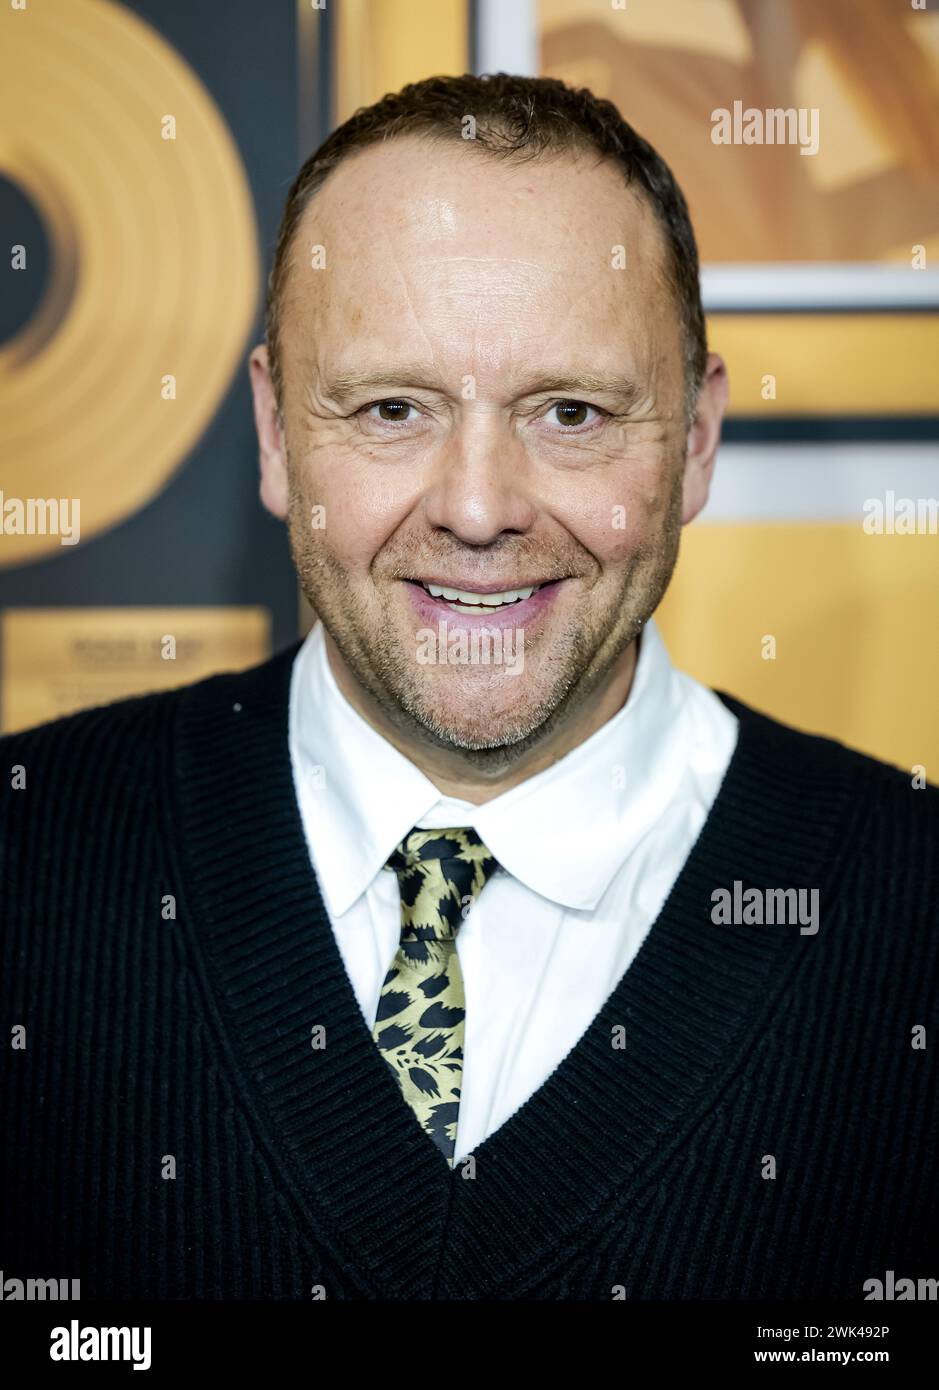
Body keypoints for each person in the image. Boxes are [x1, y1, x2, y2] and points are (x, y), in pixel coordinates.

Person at [1, 74, 936, 1301]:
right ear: (279, 435)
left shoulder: (910, 912)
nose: (480, 507)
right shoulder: (27, 864)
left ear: (697, 440)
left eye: (572, 410)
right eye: (393, 408)